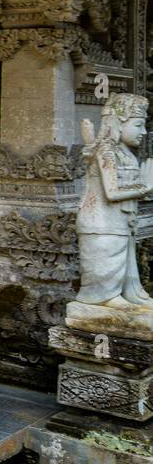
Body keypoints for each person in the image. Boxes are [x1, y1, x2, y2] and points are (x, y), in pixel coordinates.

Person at [77, 93, 153, 307]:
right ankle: (105, 298)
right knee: (105, 268)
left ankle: (130, 293)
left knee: (124, 263)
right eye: (138, 125)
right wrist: (145, 187)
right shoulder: (106, 151)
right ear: (118, 123)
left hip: (119, 220)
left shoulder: (126, 153)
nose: (144, 132)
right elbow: (112, 192)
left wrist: (144, 188)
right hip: (101, 222)